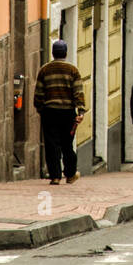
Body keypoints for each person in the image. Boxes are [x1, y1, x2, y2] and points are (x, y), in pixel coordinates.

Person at [34, 40, 85, 186]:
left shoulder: (45, 70)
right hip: (67, 112)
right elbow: (78, 92)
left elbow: (39, 93)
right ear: (66, 53)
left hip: (49, 112)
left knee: (51, 144)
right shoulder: (73, 70)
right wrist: (80, 111)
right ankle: (70, 174)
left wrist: (40, 108)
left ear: (53, 53)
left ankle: (55, 176)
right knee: (67, 144)